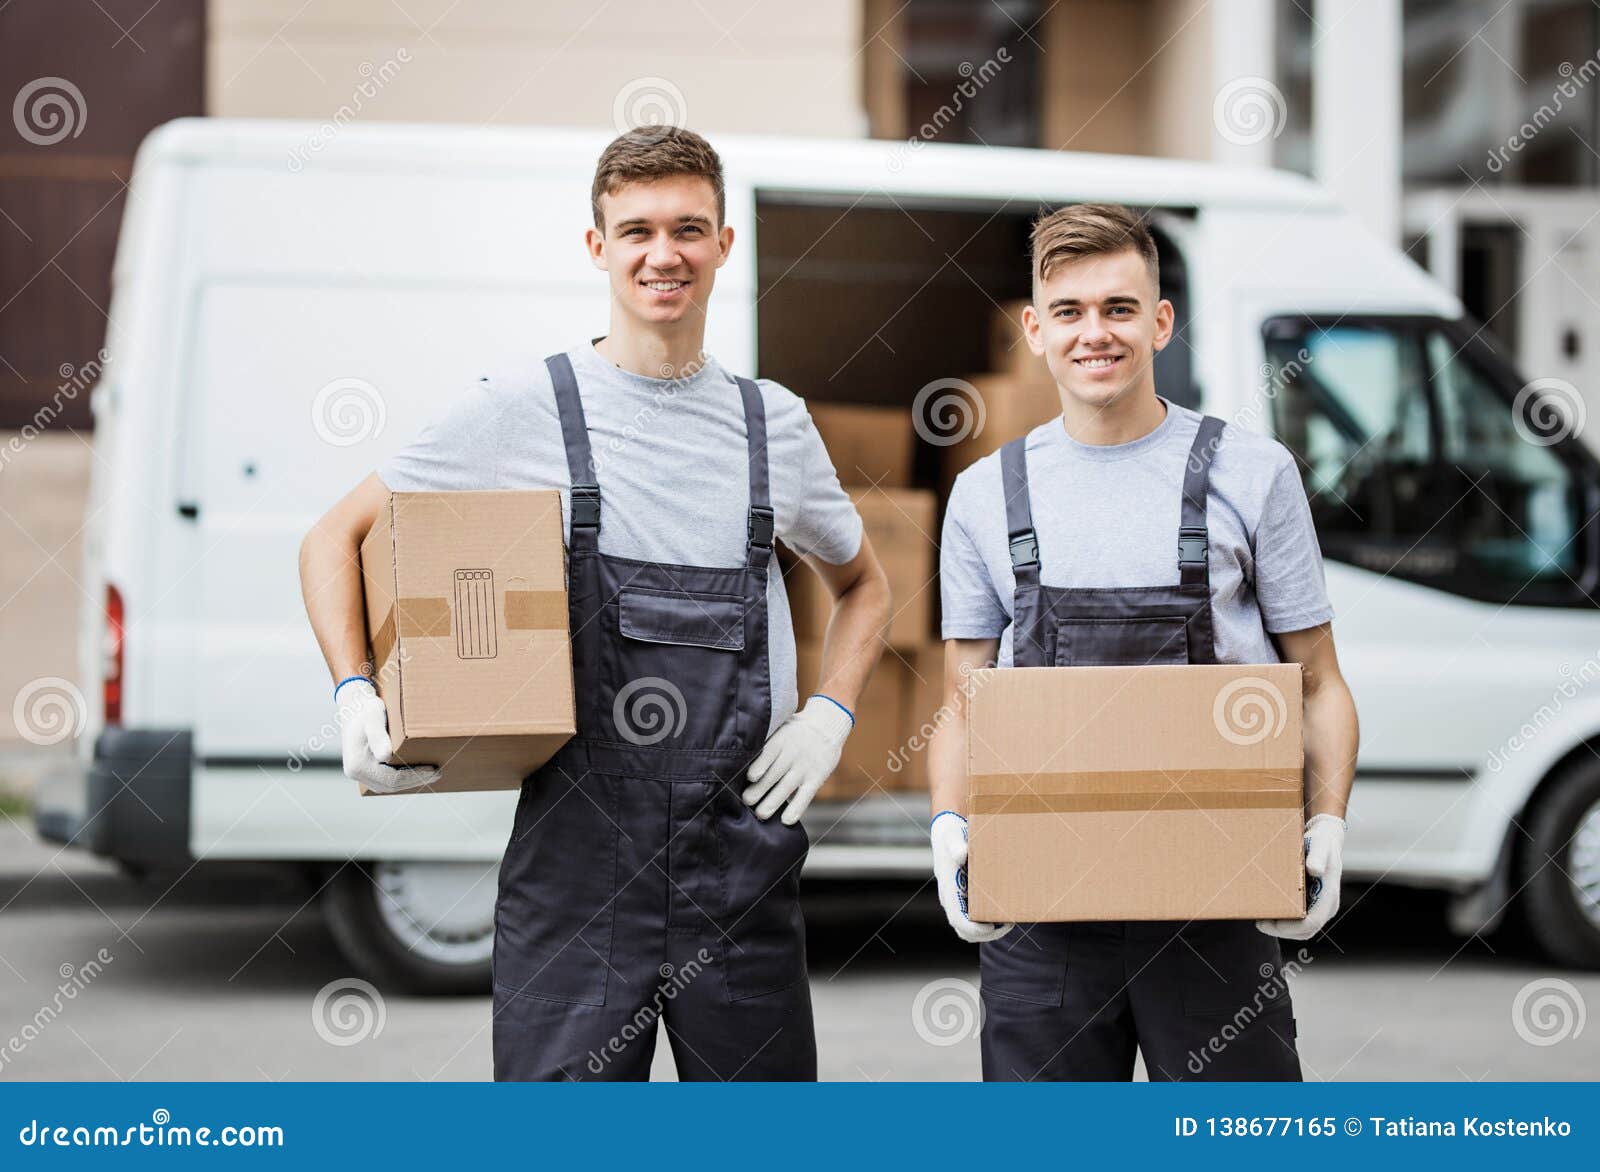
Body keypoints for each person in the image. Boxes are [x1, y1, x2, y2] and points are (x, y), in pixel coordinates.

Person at [298, 127, 891, 1081]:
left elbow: (866, 584)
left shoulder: (771, 422)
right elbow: (333, 537)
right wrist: (355, 694)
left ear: (725, 244)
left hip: (738, 867)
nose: (666, 254)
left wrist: (831, 712)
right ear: (597, 247)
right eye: (638, 230)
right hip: (576, 875)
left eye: (690, 228)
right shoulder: (523, 407)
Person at [925, 203, 1359, 1081]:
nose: (1098, 334)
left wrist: (1326, 823)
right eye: (1073, 312)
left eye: (1120, 308)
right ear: (1036, 329)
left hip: (1218, 906)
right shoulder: (985, 494)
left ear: (1160, 321)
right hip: (1040, 914)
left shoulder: (1253, 472)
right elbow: (962, 702)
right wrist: (948, 826)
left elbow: (1317, 682)